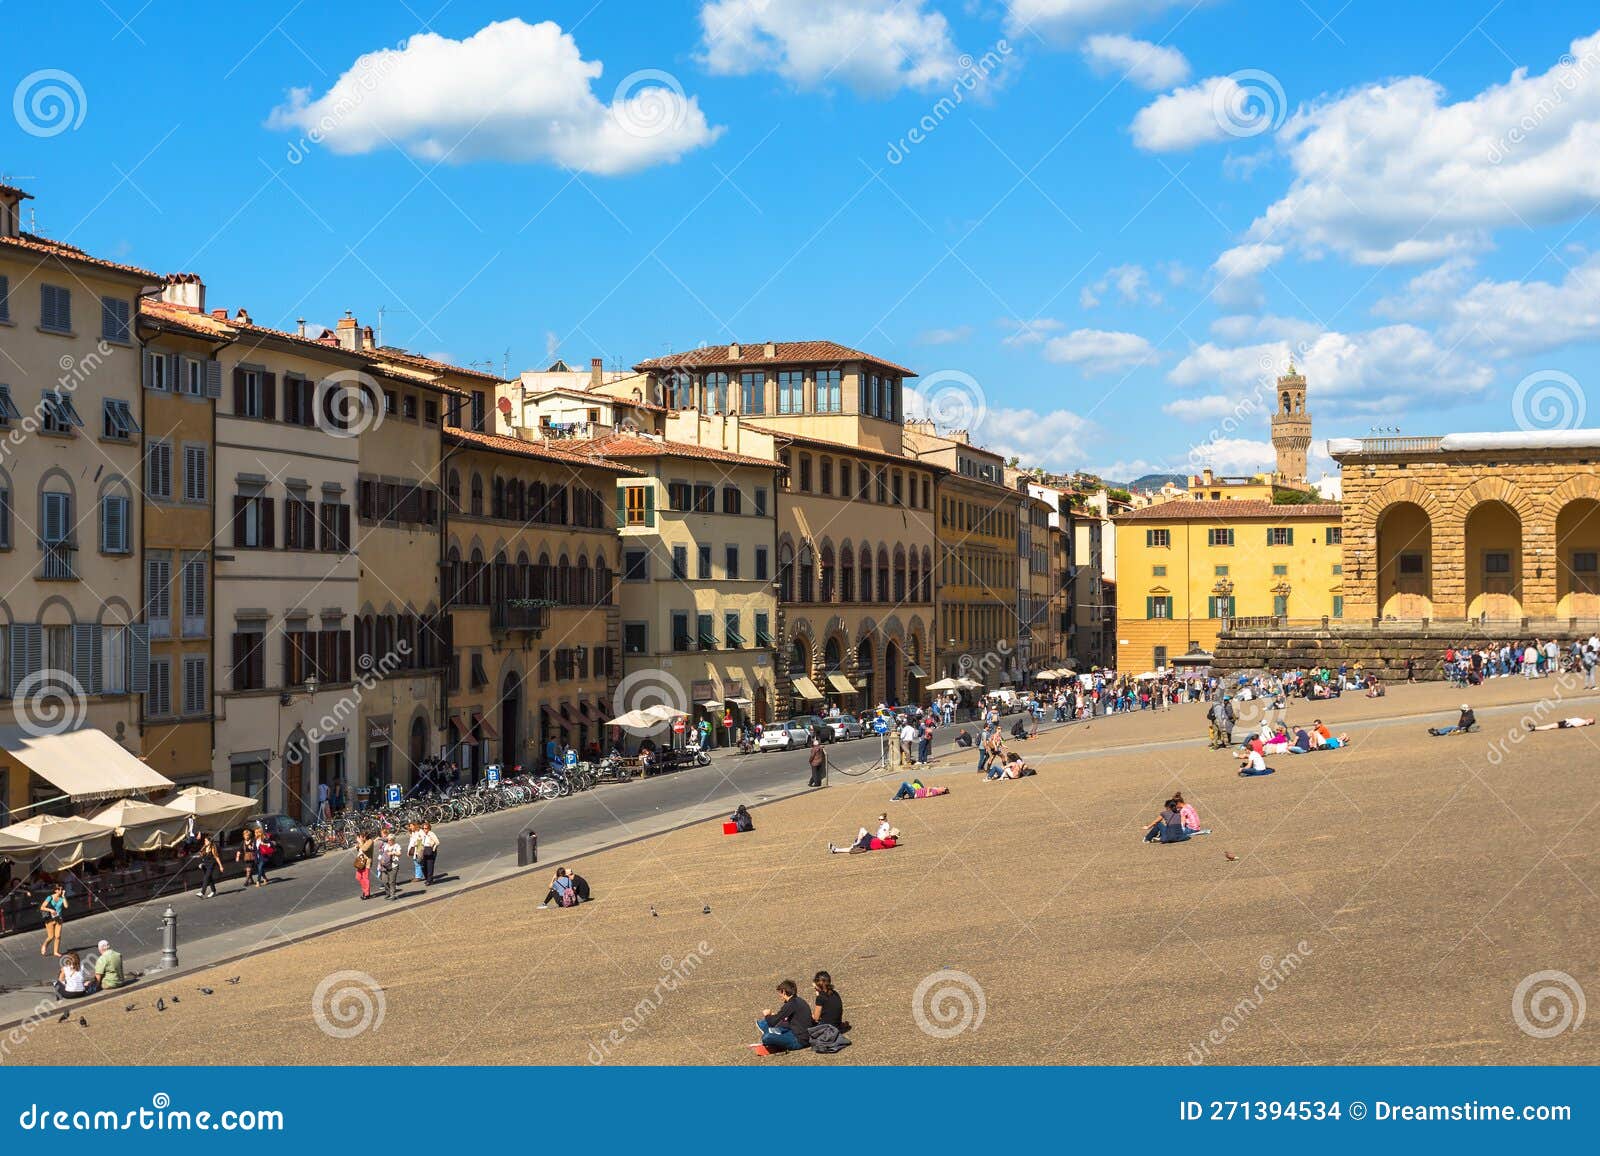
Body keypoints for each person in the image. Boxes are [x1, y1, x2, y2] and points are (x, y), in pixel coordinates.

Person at [754, 980, 812, 1053]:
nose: (780, 996)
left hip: (798, 1040)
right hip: (802, 1035)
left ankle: (769, 1034)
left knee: (766, 1037)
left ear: (784, 992)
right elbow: (781, 1017)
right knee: (765, 1023)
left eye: (780, 993)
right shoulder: (799, 1001)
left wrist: (767, 1015)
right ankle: (770, 1032)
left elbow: (773, 1022)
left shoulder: (791, 1004)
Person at [38, 884, 66, 957]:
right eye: (60, 889)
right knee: (51, 936)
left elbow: (66, 906)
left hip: (58, 919)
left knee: (58, 936)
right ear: (56, 890)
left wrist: (63, 896)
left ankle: (56, 952)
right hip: (50, 919)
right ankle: (44, 945)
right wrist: (50, 910)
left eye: (62, 889)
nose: (61, 890)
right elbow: (42, 907)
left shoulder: (61, 898)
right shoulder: (49, 897)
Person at [195, 832, 223, 898]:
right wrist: (201, 863)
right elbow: (202, 857)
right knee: (209, 878)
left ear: (209, 842)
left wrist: (221, 866)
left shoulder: (213, 848)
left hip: (211, 865)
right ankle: (213, 891)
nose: (205, 841)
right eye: (204, 840)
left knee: (206, 878)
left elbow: (216, 857)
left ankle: (202, 892)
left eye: (206, 840)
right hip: (205, 865)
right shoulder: (204, 847)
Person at [377, 831, 402, 900]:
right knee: (384, 881)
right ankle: (388, 893)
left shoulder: (397, 846)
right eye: (388, 840)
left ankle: (392, 895)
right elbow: (382, 855)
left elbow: (399, 854)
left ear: (393, 840)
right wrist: (380, 863)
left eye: (390, 840)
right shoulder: (386, 845)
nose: (389, 841)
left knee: (392, 881)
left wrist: (393, 853)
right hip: (384, 866)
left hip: (393, 865)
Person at [354, 830, 376, 899]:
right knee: (358, 877)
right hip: (360, 862)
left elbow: (364, 849)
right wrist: (358, 846)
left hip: (366, 863)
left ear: (364, 836)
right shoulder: (363, 841)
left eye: (361, 837)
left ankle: (366, 893)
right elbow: (360, 849)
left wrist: (360, 843)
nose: (360, 838)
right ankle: (365, 890)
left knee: (365, 878)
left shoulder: (370, 841)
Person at [1526, 716, 1596, 731]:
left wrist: (1568, 721)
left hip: (1566, 724)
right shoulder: (1583, 720)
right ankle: (1534, 728)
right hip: (1566, 722)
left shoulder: (1583, 722)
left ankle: (1534, 728)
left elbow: (1576, 725)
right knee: (1550, 726)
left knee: (1550, 726)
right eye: (1590, 718)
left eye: (1590, 720)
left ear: (1589, 723)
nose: (1589, 718)